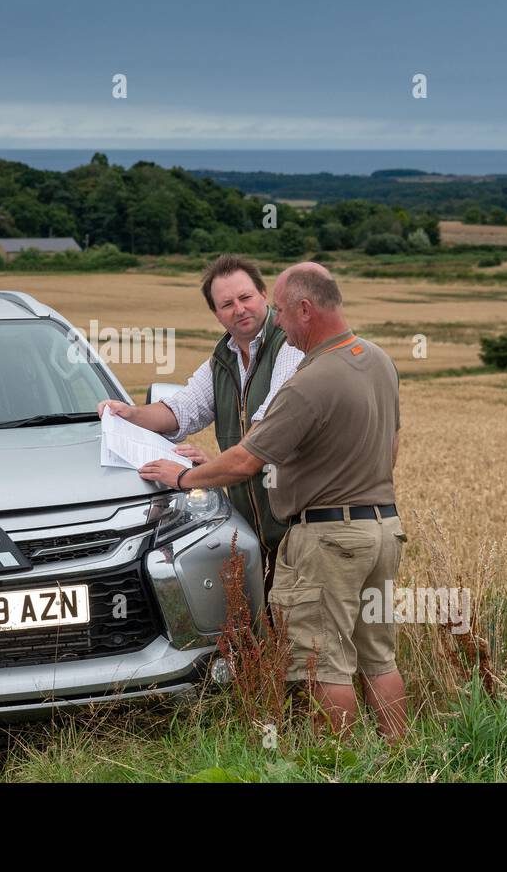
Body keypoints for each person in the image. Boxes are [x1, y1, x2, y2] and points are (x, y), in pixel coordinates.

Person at [138, 262, 407, 740]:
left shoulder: (307, 380)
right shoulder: (378, 358)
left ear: (304, 309)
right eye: (227, 303)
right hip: (383, 527)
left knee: (323, 664)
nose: (276, 321)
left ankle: (336, 765)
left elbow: (245, 459)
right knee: (377, 655)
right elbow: (391, 446)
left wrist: (185, 476)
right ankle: (401, 755)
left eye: (278, 309)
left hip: (327, 537)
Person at [97, 254, 302, 592]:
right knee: (265, 630)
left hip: (294, 526)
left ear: (264, 294)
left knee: (301, 632)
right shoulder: (224, 358)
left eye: (246, 297)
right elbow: (182, 409)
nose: (239, 309)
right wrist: (129, 413)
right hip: (251, 530)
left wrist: (193, 474)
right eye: (227, 304)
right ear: (216, 313)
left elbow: (265, 428)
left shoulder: (288, 346)